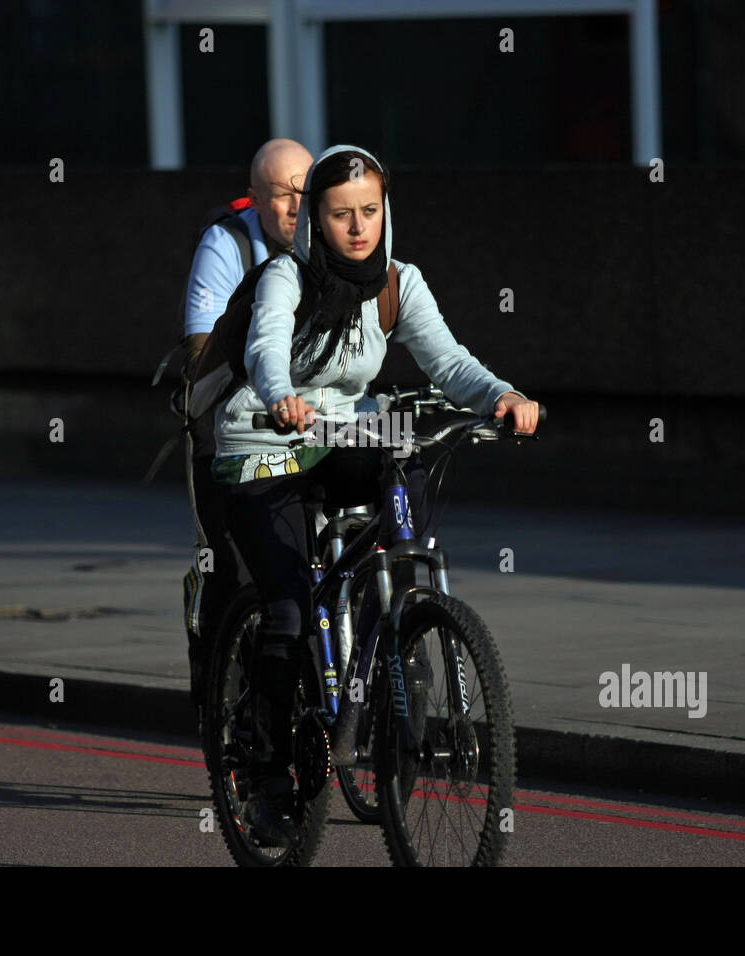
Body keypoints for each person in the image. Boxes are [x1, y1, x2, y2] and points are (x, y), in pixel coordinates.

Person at [211, 144, 540, 845]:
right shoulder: (284, 278)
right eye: (340, 215)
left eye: (369, 211)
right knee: (290, 608)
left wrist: (504, 394)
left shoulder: (398, 282)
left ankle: (393, 626)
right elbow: (268, 348)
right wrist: (282, 398)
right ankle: (269, 779)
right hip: (266, 446)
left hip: (343, 435)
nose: (358, 227)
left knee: (404, 459)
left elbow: (448, 362)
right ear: (315, 224)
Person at [181, 139, 313, 720]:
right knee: (231, 569)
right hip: (226, 427)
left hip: (306, 424)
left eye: (306, 192)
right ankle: (220, 709)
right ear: (255, 199)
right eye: (283, 194)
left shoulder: (330, 240)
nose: (296, 205)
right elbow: (199, 354)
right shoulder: (227, 244)